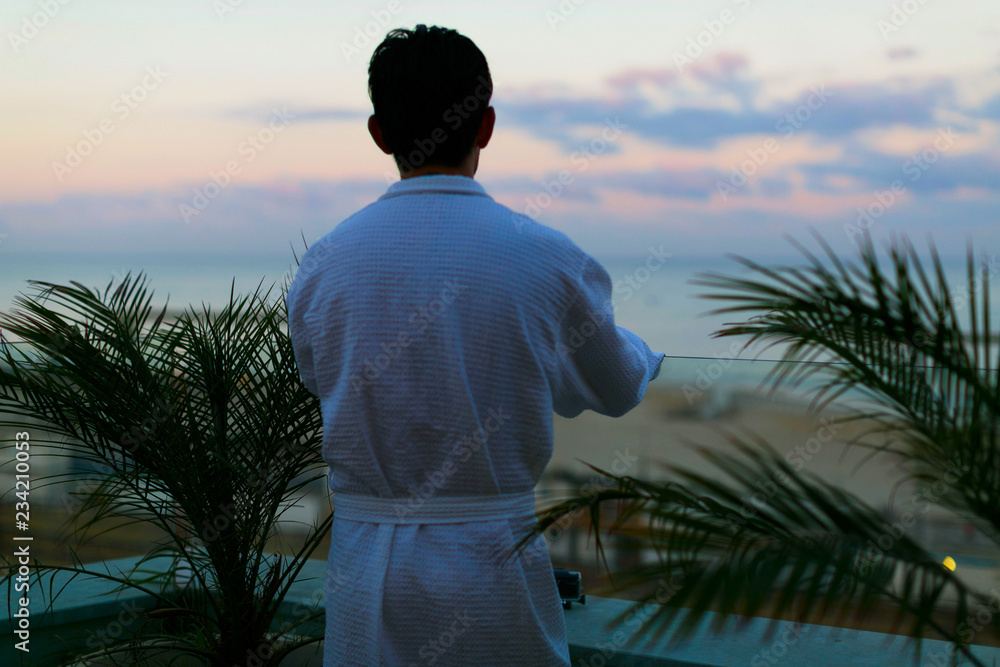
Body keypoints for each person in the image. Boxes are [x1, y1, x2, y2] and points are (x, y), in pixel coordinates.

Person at [285, 23, 665, 667]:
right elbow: (618, 383)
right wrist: (647, 355)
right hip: (494, 566)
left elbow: (321, 378)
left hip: (364, 570)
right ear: (485, 125)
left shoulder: (326, 262)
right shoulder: (543, 257)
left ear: (379, 134)